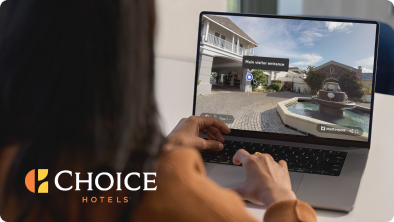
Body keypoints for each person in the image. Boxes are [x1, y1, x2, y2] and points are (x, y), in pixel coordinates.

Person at [0, 0, 317, 221]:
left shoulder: (22, 167)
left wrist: (165, 150)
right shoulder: (162, 192)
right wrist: (282, 200)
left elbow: (73, 185)